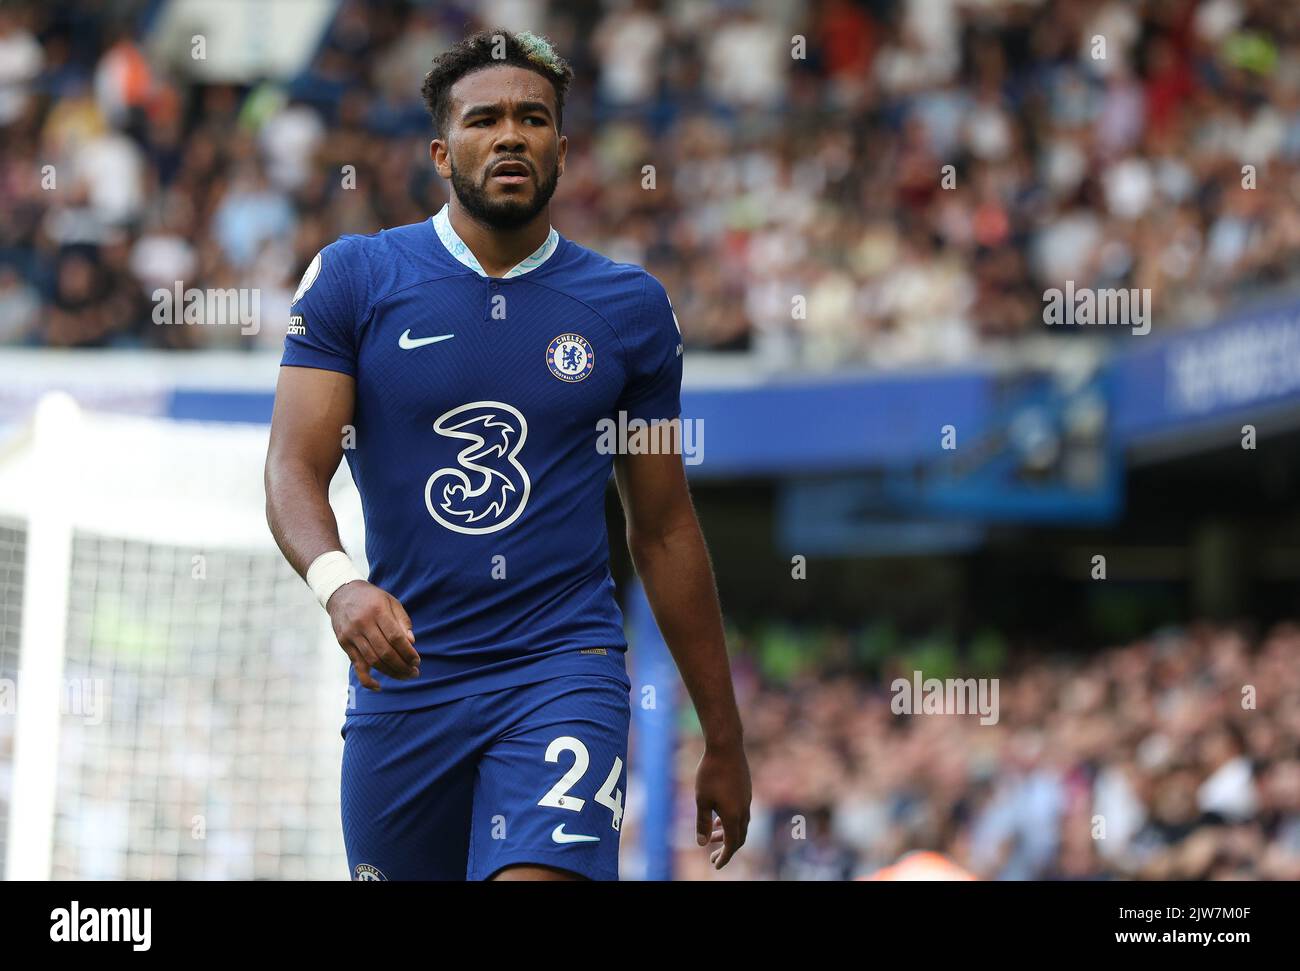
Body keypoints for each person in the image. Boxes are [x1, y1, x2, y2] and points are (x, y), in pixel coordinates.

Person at [264, 28, 750, 881]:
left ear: (562, 150)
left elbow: (665, 528)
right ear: (442, 152)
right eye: (485, 119)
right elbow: (293, 468)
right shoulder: (355, 280)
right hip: (407, 675)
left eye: (532, 119)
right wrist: (338, 584)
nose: (510, 135)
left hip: (562, 665)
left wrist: (725, 734)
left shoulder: (630, 311)